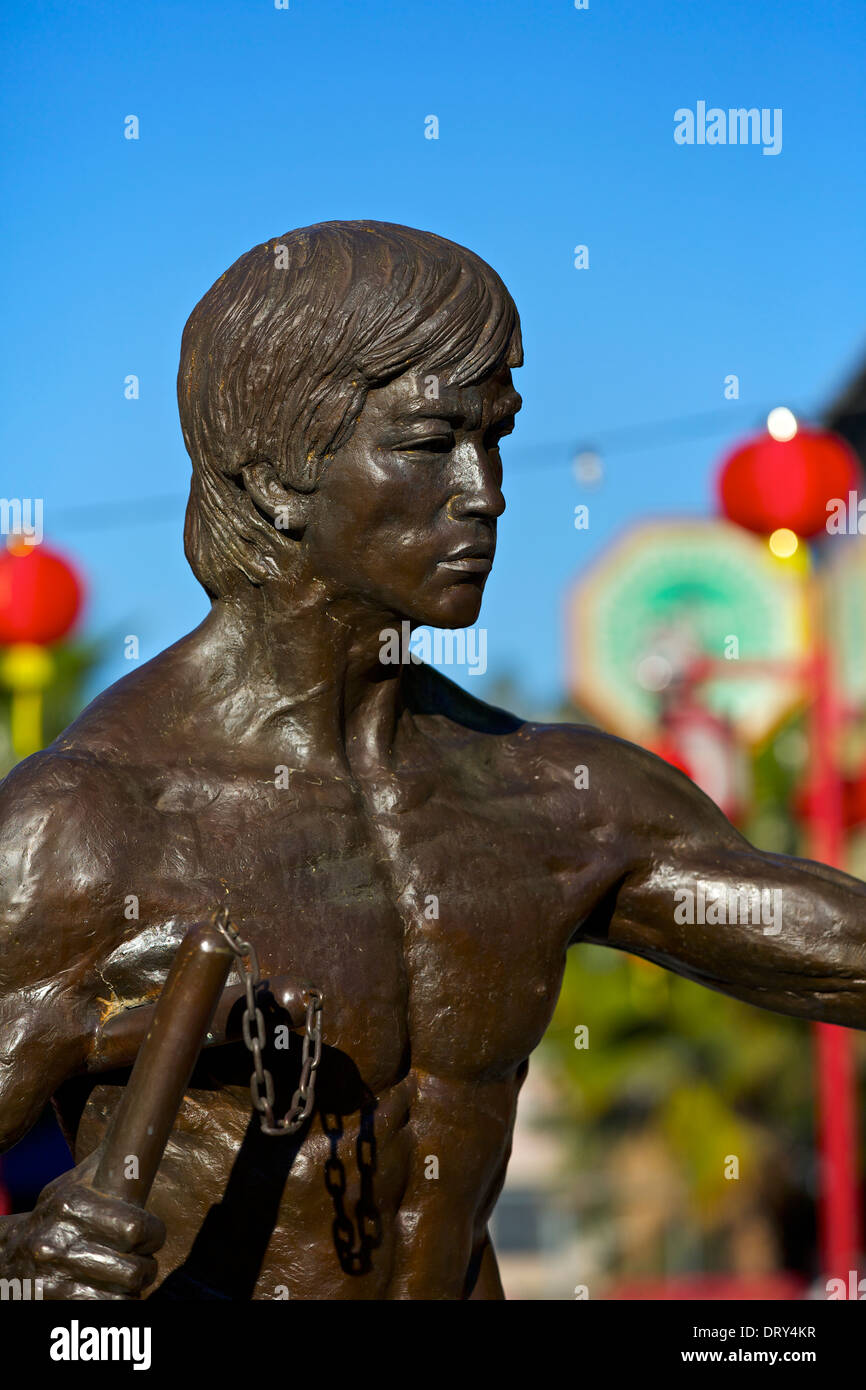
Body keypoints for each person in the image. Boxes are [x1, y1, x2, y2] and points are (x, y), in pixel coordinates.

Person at [1, 221, 864, 1300]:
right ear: (276, 473)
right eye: (425, 444)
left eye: (494, 438)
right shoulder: (86, 829)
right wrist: (20, 1277)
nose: (484, 489)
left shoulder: (553, 801)